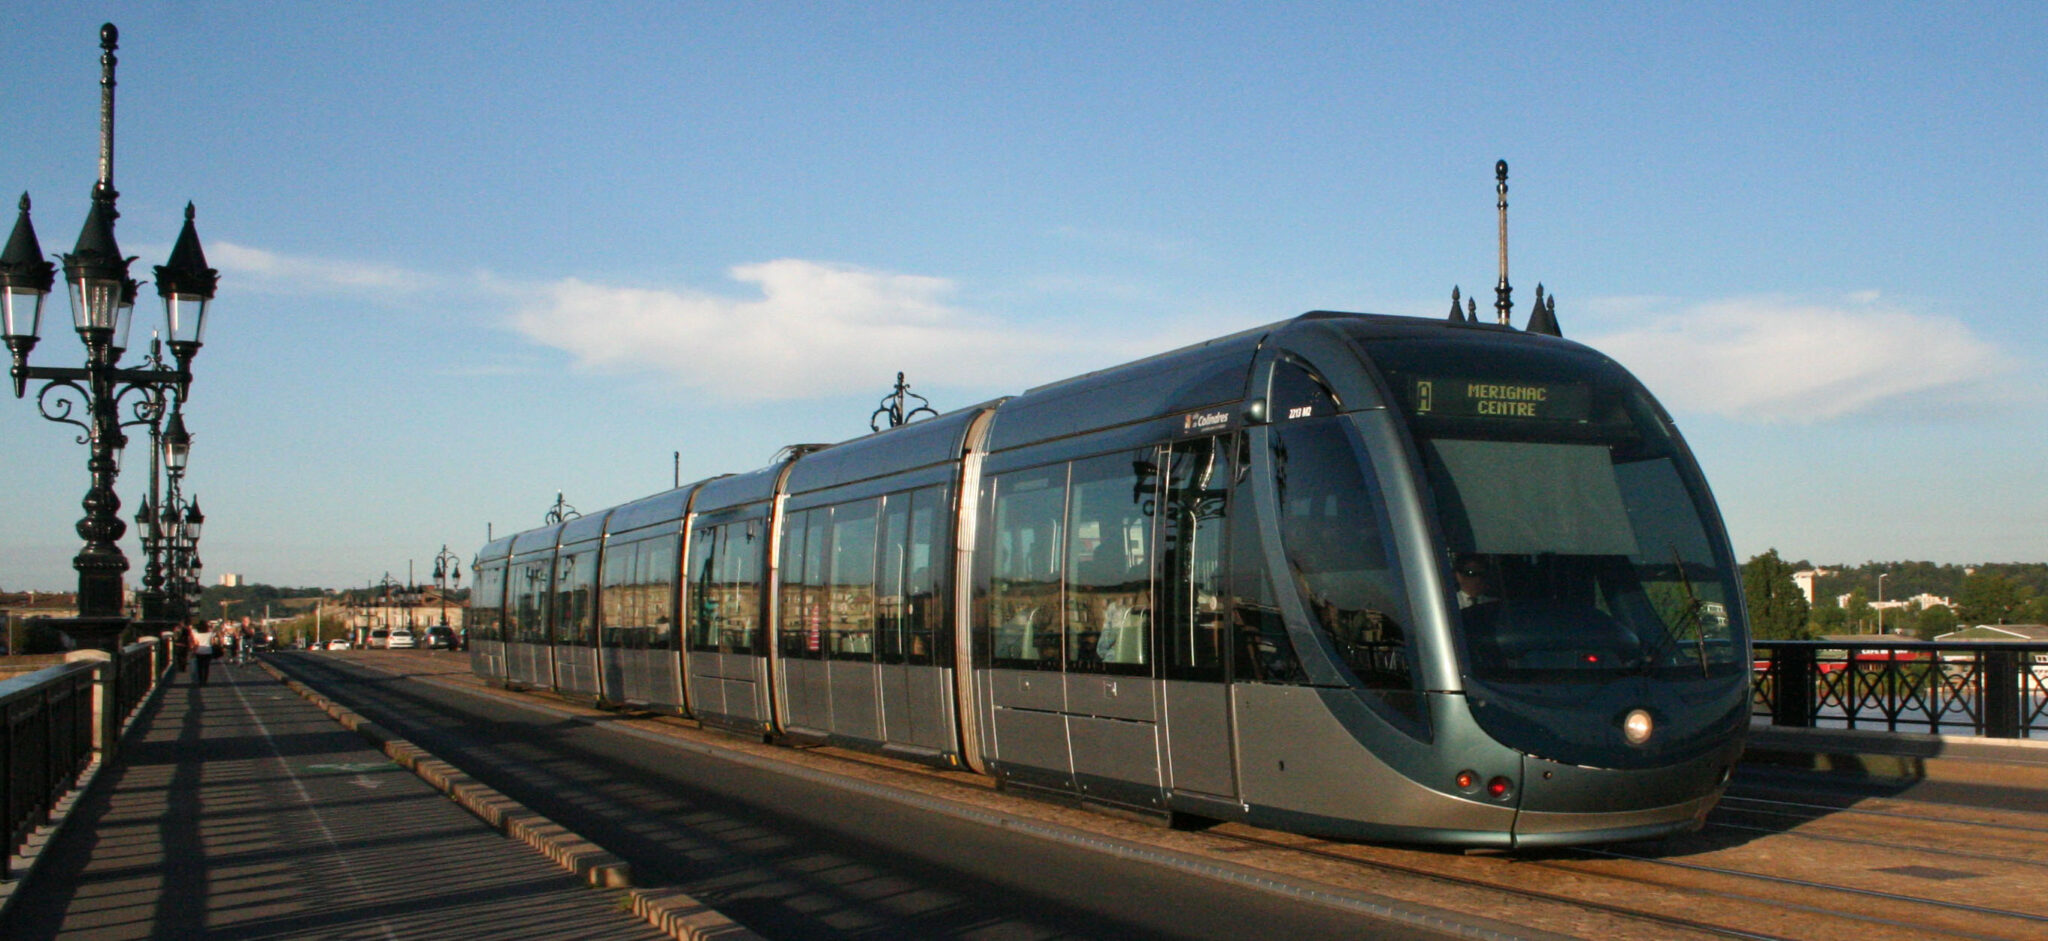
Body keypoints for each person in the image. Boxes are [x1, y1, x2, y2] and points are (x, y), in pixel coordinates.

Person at [188, 620, 218, 686]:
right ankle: (205, 680)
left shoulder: (196, 634)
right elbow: (213, 642)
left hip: (199, 651)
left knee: (199, 667)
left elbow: (196, 644)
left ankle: (200, 680)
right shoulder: (210, 634)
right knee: (206, 667)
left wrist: (193, 651)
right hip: (208, 651)